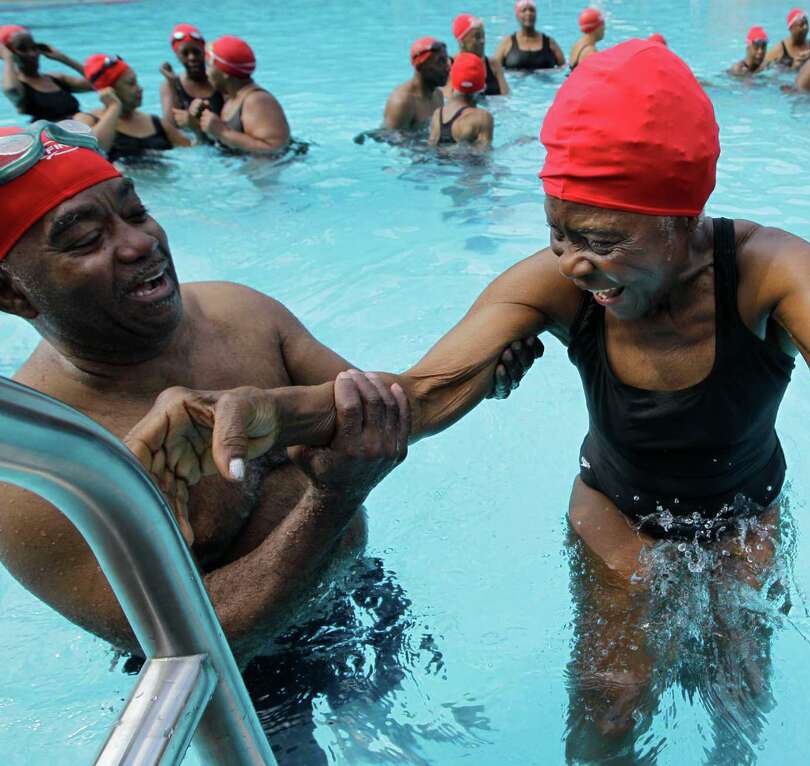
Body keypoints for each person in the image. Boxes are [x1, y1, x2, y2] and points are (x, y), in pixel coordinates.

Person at [127, 41, 810, 758]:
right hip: (616, 508)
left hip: (743, 514)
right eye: (558, 229)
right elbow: (430, 386)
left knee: (737, 692)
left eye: (605, 237)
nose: (576, 263)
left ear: (688, 214)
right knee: (609, 696)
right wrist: (277, 411)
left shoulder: (767, 270)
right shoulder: (557, 279)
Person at [0, 124, 539, 669]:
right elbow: (181, 645)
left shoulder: (241, 315)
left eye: (135, 212)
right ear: (11, 291)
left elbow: (390, 410)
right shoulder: (38, 464)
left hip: (362, 591)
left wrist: (482, 373)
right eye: (86, 240)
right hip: (253, 684)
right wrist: (333, 500)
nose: (139, 243)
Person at [180, 35, 290, 155]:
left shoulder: (257, 100)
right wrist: (199, 127)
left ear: (225, 72)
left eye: (209, 66)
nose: (206, 73)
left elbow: (276, 149)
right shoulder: (232, 99)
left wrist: (222, 132)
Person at [75, 54, 190, 161]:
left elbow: (193, 150)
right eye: (131, 83)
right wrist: (114, 106)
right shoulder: (86, 120)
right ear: (110, 90)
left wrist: (195, 127)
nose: (140, 88)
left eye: (136, 82)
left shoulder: (157, 123)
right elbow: (93, 153)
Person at [1, 26, 90, 123]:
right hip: (51, 135)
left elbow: (98, 84)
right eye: (22, 49)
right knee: (83, 117)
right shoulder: (19, 86)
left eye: (34, 47)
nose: (32, 54)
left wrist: (64, 58)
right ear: (10, 53)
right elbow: (11, 90)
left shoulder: (57, 79)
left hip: (81, 128)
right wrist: (8, 59)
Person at [159, 23, 222, 133]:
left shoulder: (219, 80)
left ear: (204, 51)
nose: (192, 57)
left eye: (196, 52)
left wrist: (195, 124)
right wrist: (172, 84)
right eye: (185, 53)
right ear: (177, 56)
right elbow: (170, 131)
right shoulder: (170, 85)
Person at [382, 36, 450, 131]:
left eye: (446, 60)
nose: (447, 67)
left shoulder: (438, 95)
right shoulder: (402, 102)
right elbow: (391, 140)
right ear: (420, 67)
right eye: (440, 62)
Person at [429, 52, 493, 149]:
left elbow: (431, 148)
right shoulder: (482, 118)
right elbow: (484, 155)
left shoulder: (437, 114)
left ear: (453, 80)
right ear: (483, 85)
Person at [451, 13, 509, 96]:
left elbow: (507, 99)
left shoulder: (493, 65)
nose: (482, 41)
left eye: (483, 36)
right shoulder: (451, 66)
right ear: (461, 41)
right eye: (477, 37)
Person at [498, 0, 564, 71]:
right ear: (517, 16)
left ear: (536, 14)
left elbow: (564, 68)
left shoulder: (550, 43)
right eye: (523, 11)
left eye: (532, 10)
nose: (528, 13)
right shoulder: (507, 43)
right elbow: (494, 71)